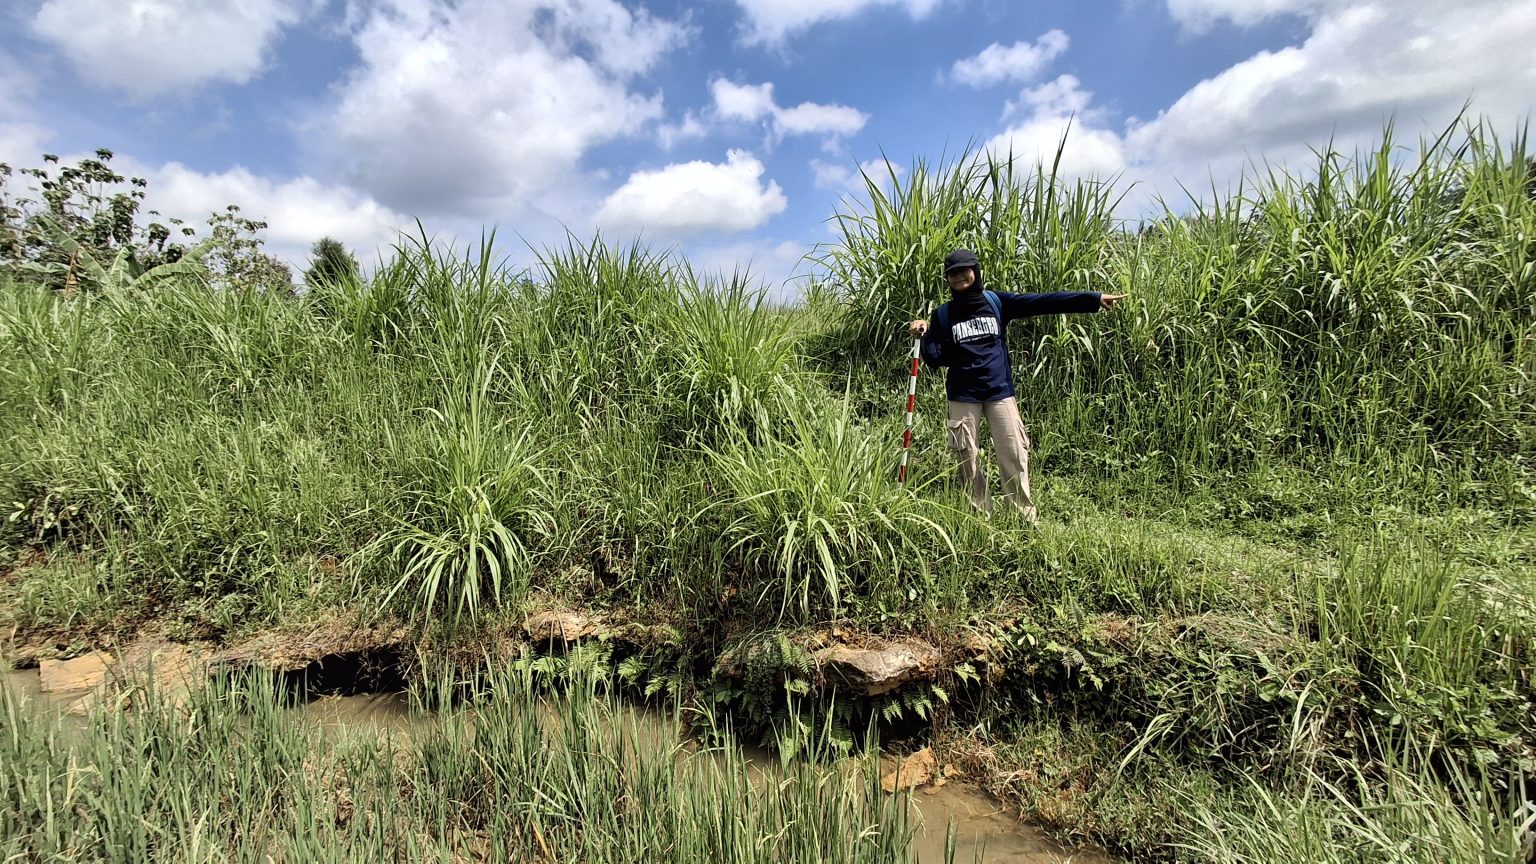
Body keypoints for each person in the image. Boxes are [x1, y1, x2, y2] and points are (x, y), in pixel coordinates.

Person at [909, 249, 1124, 522]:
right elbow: (935, 359)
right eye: (952, 273)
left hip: (1000, 392)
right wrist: (924, 333)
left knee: (1014, 453)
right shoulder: (944, 314)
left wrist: (1092, 299)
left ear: (975, 271)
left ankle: (1022, 518)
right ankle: (978, 515)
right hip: (963, 394)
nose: (959, 276)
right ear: (947, 278)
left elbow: (1043, 302)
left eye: (964, 270)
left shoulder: (997, 302)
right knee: (966, 456)